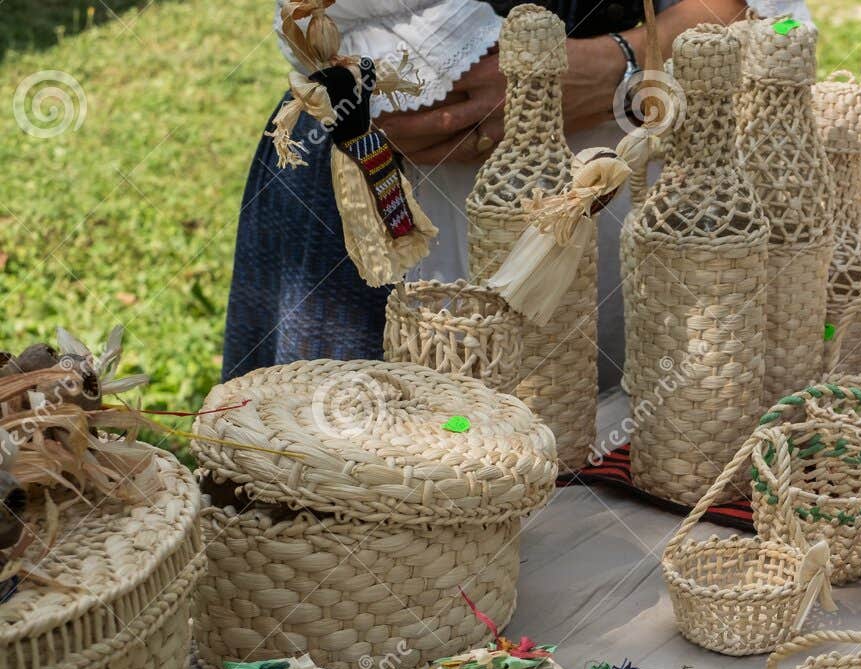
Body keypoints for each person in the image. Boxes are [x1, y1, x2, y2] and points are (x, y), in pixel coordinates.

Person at [223, 0, 805, 386]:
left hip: (632, 164)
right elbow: (409, 78)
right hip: (390, 191)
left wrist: (623, 65)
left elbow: (747, 9)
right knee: (369, 516)